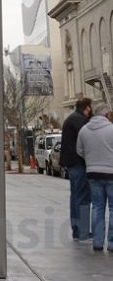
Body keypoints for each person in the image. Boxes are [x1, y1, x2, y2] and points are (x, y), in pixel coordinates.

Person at [76, 102, 113, 251]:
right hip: (111, 173)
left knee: (97, 207)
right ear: (106, 115)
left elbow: (79, 150)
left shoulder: (84, 130)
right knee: (112, 208)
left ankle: (97, 242)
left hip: (92, 173)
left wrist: (91, 160)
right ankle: (111, 243)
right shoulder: (111, 129)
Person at [59, 97, 93, 241]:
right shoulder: (80, 121)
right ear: (87, 107)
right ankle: (82, 232)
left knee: (75, 197)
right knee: (83, 198)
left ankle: (77, 231)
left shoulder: (71, 119)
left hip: (72, 163)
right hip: (79, 163)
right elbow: (86, 142)